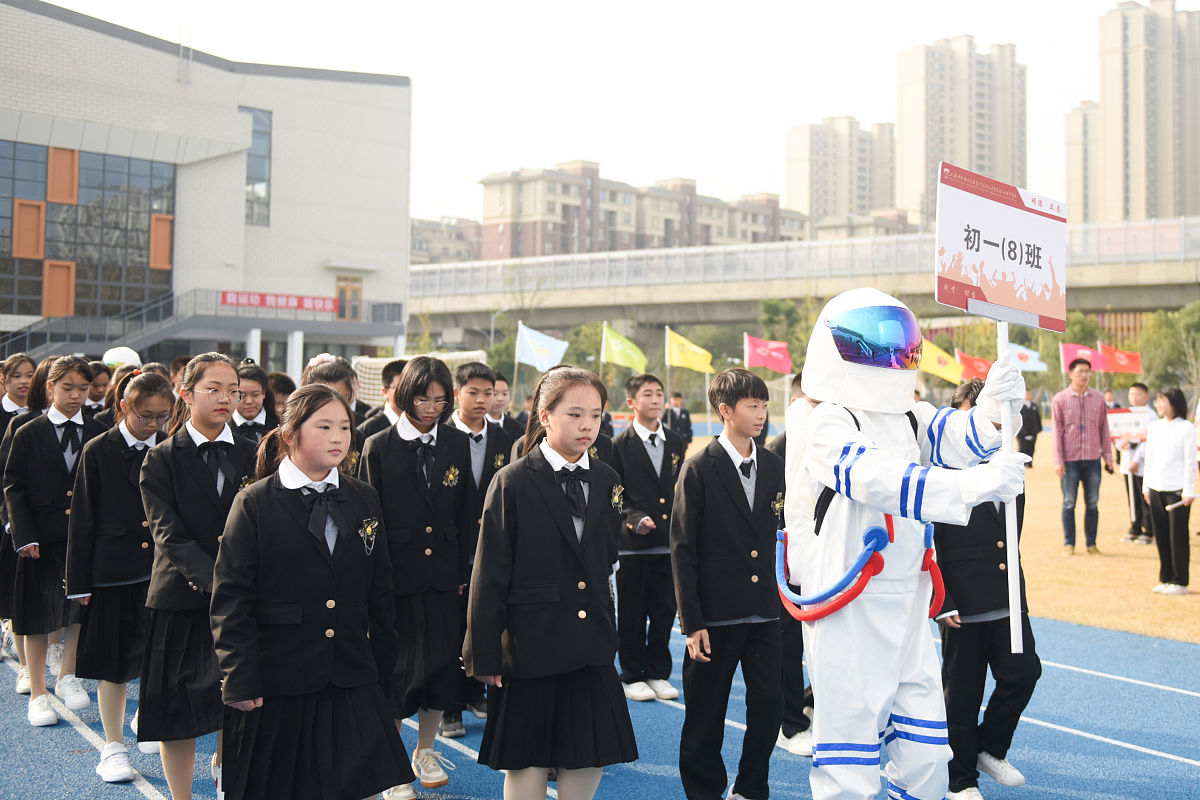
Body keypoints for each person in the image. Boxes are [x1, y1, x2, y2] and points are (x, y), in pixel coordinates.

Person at [794, 288, 1027, 800]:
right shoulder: (830, 420)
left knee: (925, 753)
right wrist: (972, 487)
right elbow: (881, 478)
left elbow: (957, 437)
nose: (888, 357)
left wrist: (991, 405)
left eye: (896, 345)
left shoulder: (907, 415)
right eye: (873, 346)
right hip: (851, 603)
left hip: (909, 603)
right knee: (849, 758)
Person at [210, 383, 414, 800]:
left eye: (344, 426)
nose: (339, 437)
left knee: (353, 785)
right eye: (324, 426)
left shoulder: (363, 498)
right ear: (290, 435)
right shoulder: (254, 503)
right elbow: (231, 601)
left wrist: (384, 670)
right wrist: (240, 677)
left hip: (350, 673)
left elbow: (381, 591)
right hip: (278, 677)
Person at [465, 366, 637, 800]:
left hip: (591, 644)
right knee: (528, 758)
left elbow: (604, 561)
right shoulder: (513, 481)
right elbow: (489, 575)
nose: (587, 426)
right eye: (575, 414)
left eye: (595, 416)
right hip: (531, 645)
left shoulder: (609, 480)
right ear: (544, 416)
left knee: (588, 753)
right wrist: (484, 653)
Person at [138, 353, 258, 800]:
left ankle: (228, 773)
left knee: (241, 702)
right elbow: (167, 533)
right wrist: (215, 581)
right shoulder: (161, 459)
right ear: (185, 395)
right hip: (182, 599)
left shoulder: (254, 451)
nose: (227, 398)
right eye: (215, 389)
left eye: (234, 390)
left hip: (244, 600)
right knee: (177, 711)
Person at [360, 356, 472, 797]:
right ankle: (389, 761)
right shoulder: (377, 446)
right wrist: (373, 577)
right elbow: (368, 521)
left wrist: (463, 568)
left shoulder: (456, 444)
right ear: (404, 394)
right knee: (394, 669)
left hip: (443, 576)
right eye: (424, 397)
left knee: (439, 665)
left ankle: (424, 749)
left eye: (441, 400)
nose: (432, 407)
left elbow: (465, 512)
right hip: (394, 578)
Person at [671, 368, 785, 800]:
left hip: (765, 612)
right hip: (715, 616)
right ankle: (704, 793)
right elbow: (682, 547)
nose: (761, 414)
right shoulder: (699, 467)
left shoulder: (773, 465)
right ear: (725, 411)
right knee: (705, 715)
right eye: (752, 406)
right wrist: (692, 620)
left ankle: (751, 789)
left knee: (769, 709)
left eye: (764, 405)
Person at [933, 379, 1041, 800]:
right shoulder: (941, 468)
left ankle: (989, 747)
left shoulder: (1010, 463)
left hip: (1007, 595)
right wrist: (943, 599)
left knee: (1024, 672)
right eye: (970, 411)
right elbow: (929, 540)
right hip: (961, 600)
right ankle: (961, 780)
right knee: (961, 695)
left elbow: (1010, 534)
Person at [67, 371, 173, 782]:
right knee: (113, 664)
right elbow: (83, 518)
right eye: (146, 415)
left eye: (162, 417)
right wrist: (78, 584)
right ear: (124, 406)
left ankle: (148, 718)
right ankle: (112, 747)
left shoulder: (170, 448)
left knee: (157, 657)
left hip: (161, 571)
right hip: (111, 572)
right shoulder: (98, 450)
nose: (153, 425)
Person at [5, 356, 106, 727]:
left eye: (83, 388)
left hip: (82, 538)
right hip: (38, 539)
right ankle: (38, 693)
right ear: (50, 387)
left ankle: (67, 675)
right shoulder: (27, 431)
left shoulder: (98, 430)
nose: (77, 395)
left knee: (76, 610)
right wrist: (23, 534)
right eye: (68, 388)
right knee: (34, 615)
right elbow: (13, 485)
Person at [441, 361, 512, 738]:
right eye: (474, 392)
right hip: (453, 553)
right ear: (458, 394)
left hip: (491, 553)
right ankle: (450, 706)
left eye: (489, 392)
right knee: (452, 630)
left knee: (485, 625)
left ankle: (475, 693)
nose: (483, 400)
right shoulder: (441, 437)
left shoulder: (506, 438)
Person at [611, 373, 683, 703]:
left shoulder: (677, 441)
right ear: (631, 402)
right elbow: (614, 495)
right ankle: (631, 673)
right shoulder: (617, 446)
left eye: (659, 394)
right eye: (648, 394)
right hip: (634, 547)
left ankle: (657, 672)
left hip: (668, 544)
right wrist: (633, 519)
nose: (655, 400)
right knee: (633, 612)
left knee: (664, 611)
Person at [768, 372, 815, 757]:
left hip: (828, 565)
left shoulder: (834, 443)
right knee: (788, 645)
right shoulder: (775, 452)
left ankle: (811, 704)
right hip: (787, 565)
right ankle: (789, 722)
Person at [1051, 358, 1113, 556]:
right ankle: (1069, 543)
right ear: (1071, 374)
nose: (1084, 375)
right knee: (1069, 503)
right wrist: (1058, 461)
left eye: (1088, 371)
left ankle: (1091, 544)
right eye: (1080, 371)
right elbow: (1057, 432)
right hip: (1069, 460)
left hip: (1093, 459)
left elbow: (1104, 429)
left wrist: (1108, 456)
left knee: (1093, 503)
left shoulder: (1098, 398)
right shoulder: (1060, 399)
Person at [1142, 387, 1196, 595]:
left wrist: (1188, 489)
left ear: (1174, 403)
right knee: (1161, 534)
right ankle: (1165, 577)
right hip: (1156, 487)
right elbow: (1150, 458)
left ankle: (1180, 580)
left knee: (1177, 537)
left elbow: (1190, 461)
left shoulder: (1186, 428)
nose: (1159, 405)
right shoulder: (1154, 427)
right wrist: (1147, 486)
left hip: (1177, 490)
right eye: (1158, 401)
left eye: (1163, 401)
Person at [0, 353, 34, 663]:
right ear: (4, 380)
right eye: (17, 376)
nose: (24, 381)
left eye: (29, 375)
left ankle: (12, 626)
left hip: (20, 506)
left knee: (15, 574)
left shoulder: (37, 417)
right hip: (2, 501)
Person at [1119, 383, 1155, 545]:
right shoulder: (1126, 414)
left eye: (1138, 394)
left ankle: (1149, 529)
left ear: (1146, 396)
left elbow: (1149, 441)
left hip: (1143, 465)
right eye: (1131, 394)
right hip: (1128, 464)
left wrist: (1136, 460)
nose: (1134, 397)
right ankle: (1135, 526)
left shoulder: (1151, 415)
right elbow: (1118, 436)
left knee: (1144, 497)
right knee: (1132, 497)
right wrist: (1122, 445)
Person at [357, 359, 407, 440]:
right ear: (385, 392)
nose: (407, 392)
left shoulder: (424, 426)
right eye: (401, 388)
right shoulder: (367, 430)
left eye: (411, 387)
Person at [232, 360, 278, 444]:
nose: (249, 401)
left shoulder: (279, 427)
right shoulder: (222, 427)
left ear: (263, 393)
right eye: (242, 395)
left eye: (255, 395)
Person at [488, 371, 525, 440]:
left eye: (505, 394)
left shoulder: (517, 427)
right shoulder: (477, 425)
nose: (500, 399)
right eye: (495, 394)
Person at [1016, 390, 1040, 464]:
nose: (1028, 395)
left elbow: (1038, 418)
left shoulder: (1034, 406)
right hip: (1022, 433)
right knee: (1022, 449)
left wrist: (1038, 429)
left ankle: (1030, 464)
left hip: (1032, 433)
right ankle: (1022, 464)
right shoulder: (1018, 406)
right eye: (1026, 394)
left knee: (1031, 449)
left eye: (1029, 393)